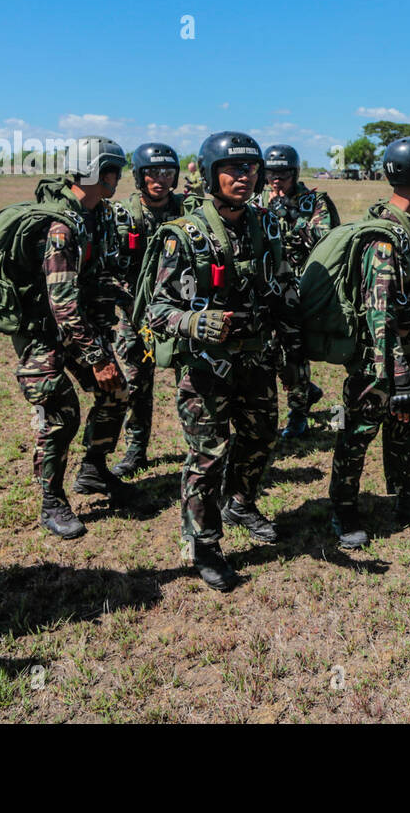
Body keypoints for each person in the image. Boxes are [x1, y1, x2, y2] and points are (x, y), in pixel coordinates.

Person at [141, 132, 301, 590]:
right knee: (208, 457)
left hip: (257, 361)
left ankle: (241, 502)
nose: (243, 177)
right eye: (231, 169)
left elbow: (285, 294)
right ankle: (205, 543)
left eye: (250, 168)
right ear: (211, 175)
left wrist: (293, 358)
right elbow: (156, 310)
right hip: (207, 368)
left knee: (261, 437)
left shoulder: (268, 225)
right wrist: (196, 324)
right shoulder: (185, 236)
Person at [326, 135, 410, 549]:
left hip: (402, 354)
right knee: (358, 431)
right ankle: (343, 508)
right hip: (375, 359)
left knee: (403, 429)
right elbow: (377, 315)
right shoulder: (384, 238)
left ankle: (409, 499)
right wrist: (395, 378)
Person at [16, 135, 135, 540]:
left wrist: (127, 297)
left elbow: (103, 271)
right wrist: (98, 358)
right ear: (93, 172)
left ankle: (94, 471)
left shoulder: (99, 214)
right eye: (111, 170)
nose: (117, 178)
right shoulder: (60, 228)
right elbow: (62, 303)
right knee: (61, 415)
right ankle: (51, 500)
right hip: (45, 336)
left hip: (82, 331)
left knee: (118, 392)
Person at [103, 143, 191, 479]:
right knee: (137, 385)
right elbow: (107, 265)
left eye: (167, 172)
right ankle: (136, 450)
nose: (160, 179)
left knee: (192, 381)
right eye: (152, 172)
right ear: (140, 176)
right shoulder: (120, 215)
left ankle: (196, 449)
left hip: (180, 313)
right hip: (135, 316)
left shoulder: (188, 210)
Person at [261, 144, 339, 440]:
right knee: (270, 350)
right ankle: (306, 389)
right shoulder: (260, 199)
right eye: (271, 174)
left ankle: (298, 413)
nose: (276, 180)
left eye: (282, 174)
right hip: (268, 285)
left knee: (294, 350)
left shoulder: (314, 200)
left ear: (294, 173)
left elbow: (325, 237)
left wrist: (290, 217)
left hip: (300, 286)